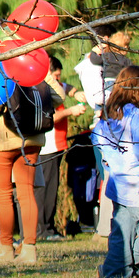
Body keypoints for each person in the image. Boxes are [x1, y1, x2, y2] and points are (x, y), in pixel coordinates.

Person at [91, 66, 139, 278]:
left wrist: (111, 158)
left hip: (119, 189)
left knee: (122, 239)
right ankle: (115, 273)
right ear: (136, 90)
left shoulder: (111, 115)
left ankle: (120, 271)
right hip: (138, 190)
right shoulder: (136, 116)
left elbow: (96, 137)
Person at [0, 81, 52, 264]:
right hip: (32, 139)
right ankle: (29, 248)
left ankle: (6, 247)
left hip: (2, 139)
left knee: (3, 195)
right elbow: (57, 95)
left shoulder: (3, 68)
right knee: (27, 193)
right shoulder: (36, 71)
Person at [36, 56, 87, 240]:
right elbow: (49, 117)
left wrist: (76, 92)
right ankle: (42, 229)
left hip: (57, 145)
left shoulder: (56, 85)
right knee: (45, 188)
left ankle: (48, 226)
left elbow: (66, 87)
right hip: (47, 147)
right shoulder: (42, 88)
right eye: (55, 76)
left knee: (53, 187)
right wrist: (70, 111)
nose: (59, 80)